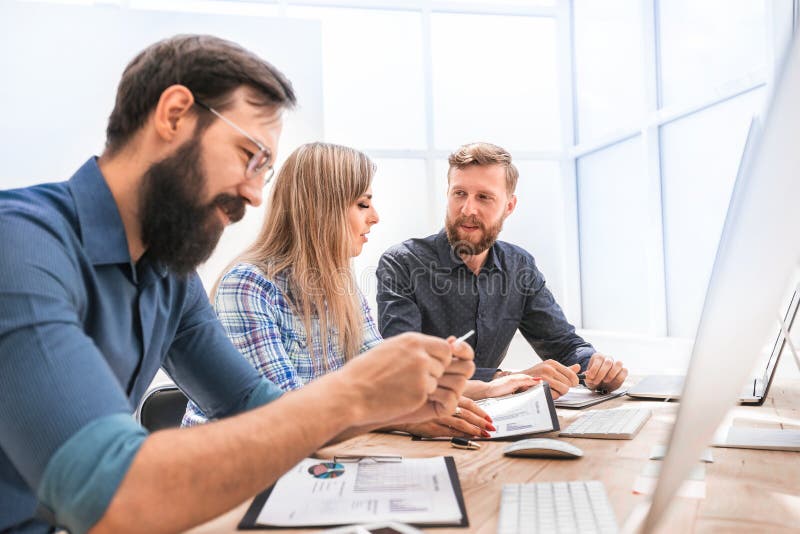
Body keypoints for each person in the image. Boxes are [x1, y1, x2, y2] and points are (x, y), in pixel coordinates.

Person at [0, 35, 474, 534]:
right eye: (249, 156)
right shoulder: (20, 247)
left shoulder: (168, 276)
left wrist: (393, 401)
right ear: (175, 115)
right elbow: (114, 495)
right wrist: (355, 395)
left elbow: (257, 407)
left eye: (263, 172)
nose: (252, 194)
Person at [182, 142, 495, 439]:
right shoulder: (248, 285)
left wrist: (491, 385)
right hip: (234, 474)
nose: (375, 217)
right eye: (362, 204)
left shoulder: (339, 284)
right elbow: (282, 413)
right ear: (320, 210)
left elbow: (383, 375)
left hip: (310, 462)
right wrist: (406, 416)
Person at [376, 141, 626, 400]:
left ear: (509, 206)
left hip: (499, 421)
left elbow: (563, 345)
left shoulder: (519, 266)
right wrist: (500, 379)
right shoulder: (401, 263)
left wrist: (596, 367)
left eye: (484, 197)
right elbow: (406, 366)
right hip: (424, 421)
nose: (468, 209)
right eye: (459, 193)